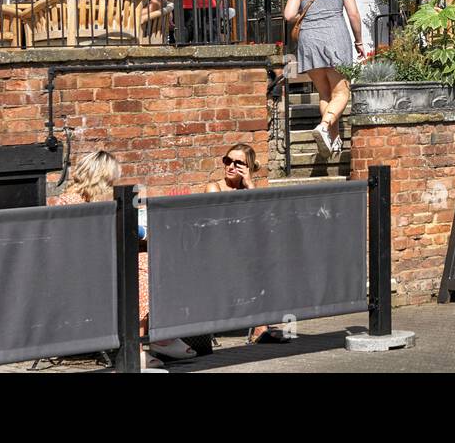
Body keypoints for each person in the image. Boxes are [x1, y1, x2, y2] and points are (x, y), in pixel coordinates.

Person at [50, 151, 190, 368]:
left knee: (154, 260)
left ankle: (158, 336)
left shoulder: (98, 200)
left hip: (105, 266)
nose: (115, 182)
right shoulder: (71, 202)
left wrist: (139, 228)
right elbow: (85, 244)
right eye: (112, 178)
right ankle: (138, 348)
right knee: (141, 267)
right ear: (101, 177)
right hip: (82, 276)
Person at [283, 0, 364, 157]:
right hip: (335, 38)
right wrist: (359, 41)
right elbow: (354, 14)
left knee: (325, 93)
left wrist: (307, 14)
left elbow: (289, 15)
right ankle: (324, 126)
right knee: (343, 92)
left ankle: (333, 142)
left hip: (309, 41)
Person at [203, 145, 288, 344]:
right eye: (227, 161)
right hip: (217, 251)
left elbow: (263, 219)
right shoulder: (214, 188)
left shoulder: (249, 189)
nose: (230, 166)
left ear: (247, 167)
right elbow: (221, 225)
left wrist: (249, 185)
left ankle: (260, 328)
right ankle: (258, 327)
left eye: (238, 163)